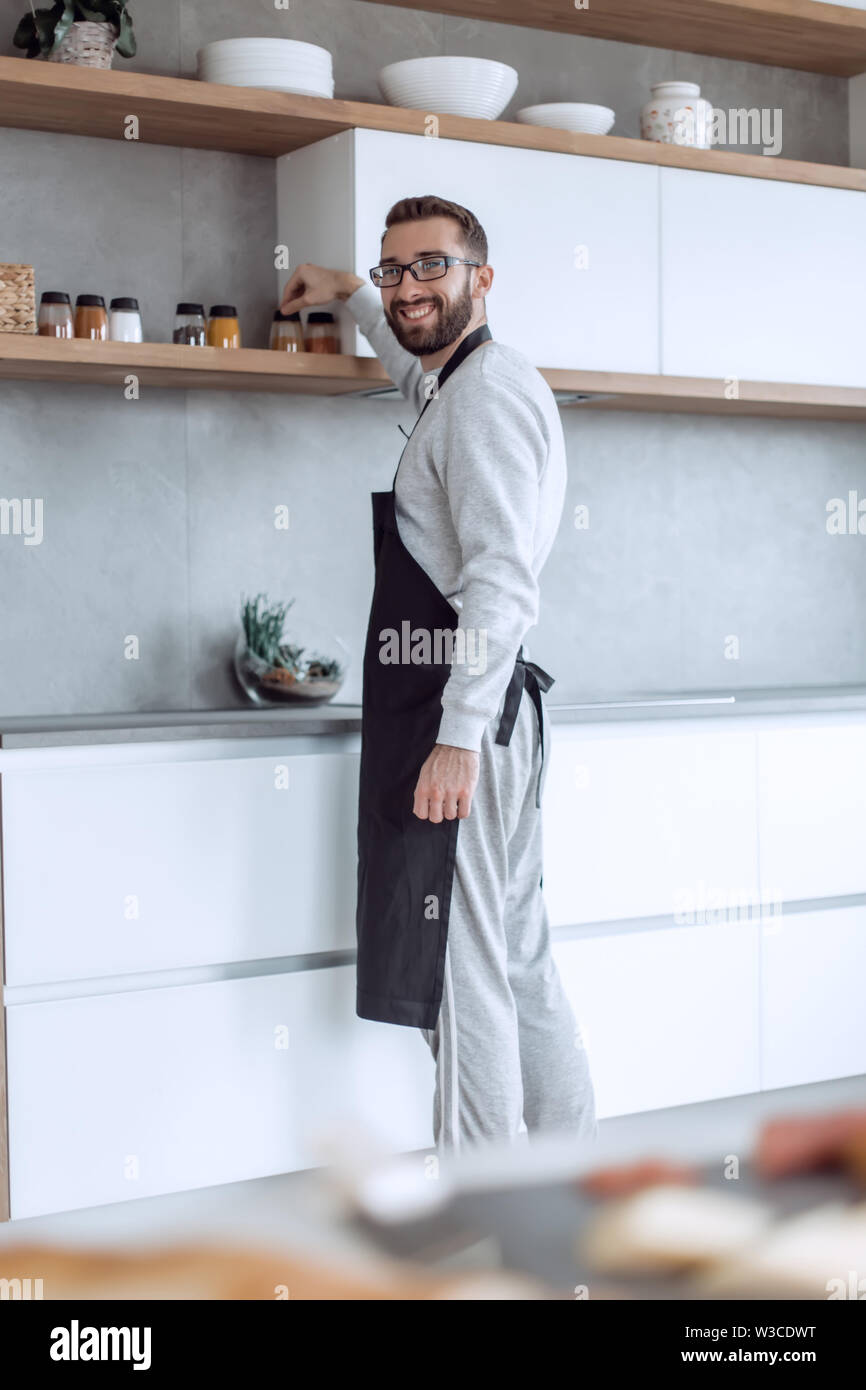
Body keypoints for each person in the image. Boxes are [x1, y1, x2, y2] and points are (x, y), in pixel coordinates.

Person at [280, 195, 596, 1152]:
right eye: (395, 270)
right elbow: (409, 364)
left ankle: (483, 1206)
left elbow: (501, 579)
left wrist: (456, 739)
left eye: (431, 267)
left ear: (481, 278)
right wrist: (350, 293)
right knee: (517, 959)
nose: (409, 287)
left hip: (463, 720)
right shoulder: (462, 386)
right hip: (490, 712)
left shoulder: (485, 396)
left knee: (467, 977)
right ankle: (567, 1174)